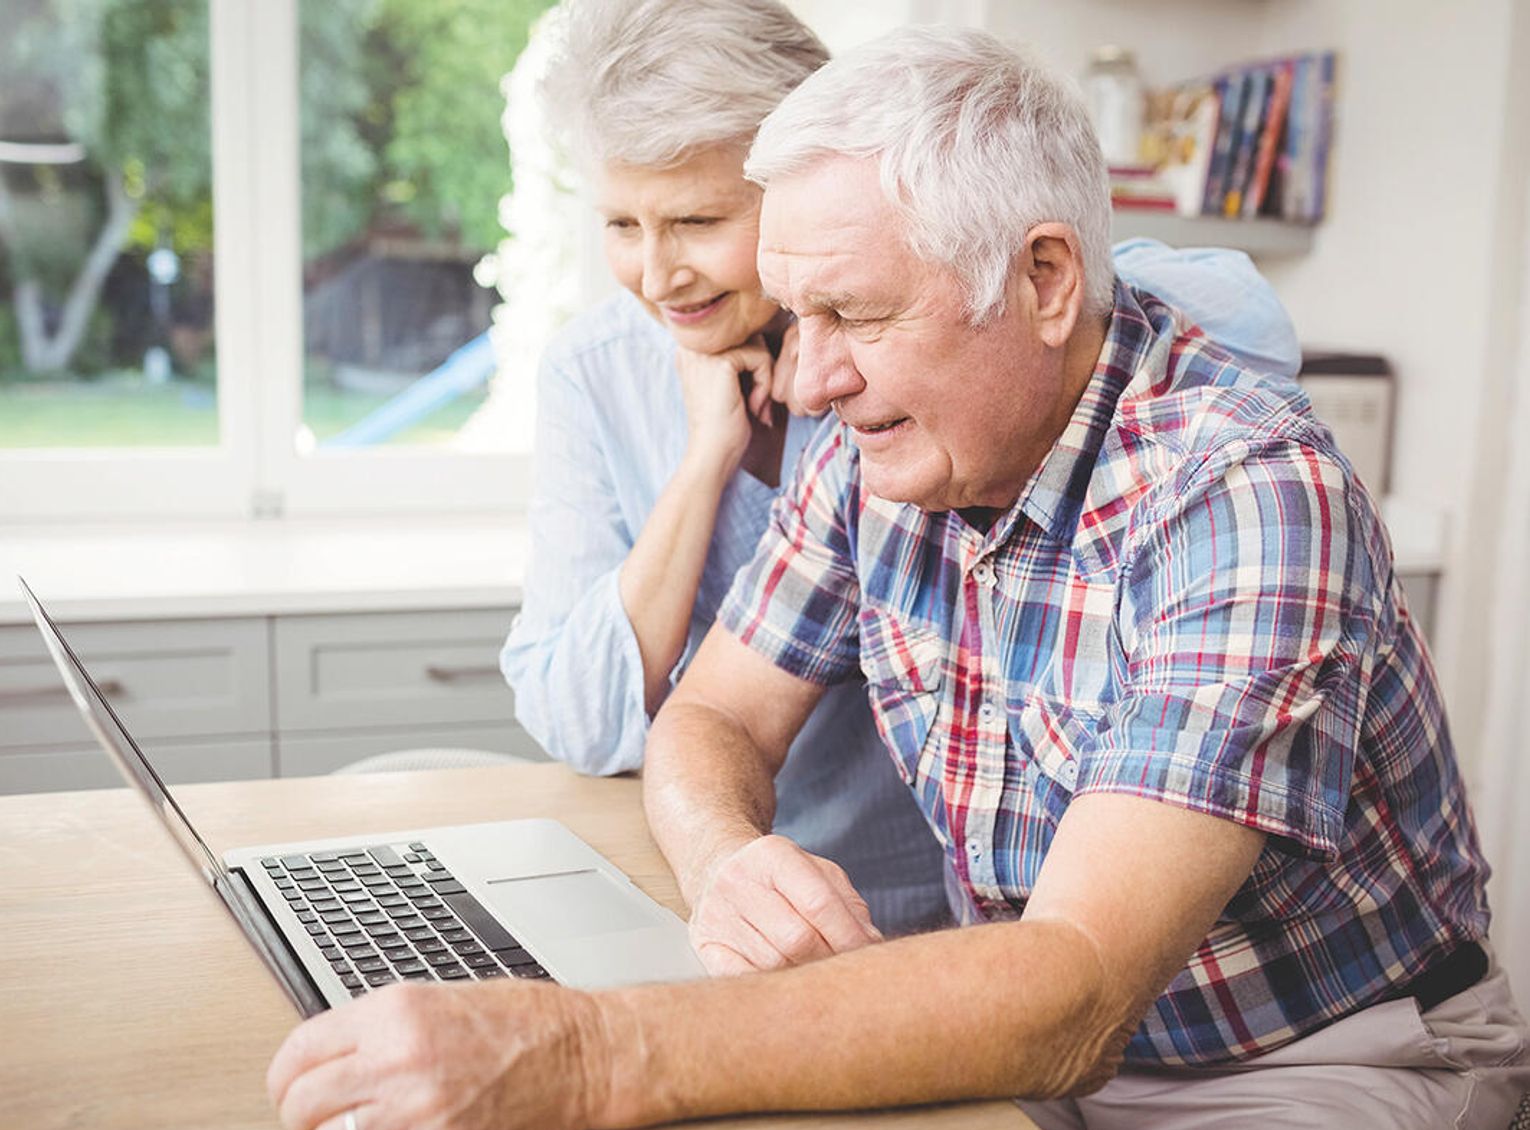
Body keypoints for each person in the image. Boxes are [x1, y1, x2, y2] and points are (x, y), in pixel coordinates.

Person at [268, 22, 1527, 1130]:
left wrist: (589, 1050)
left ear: (1043, 281)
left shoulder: (1247, 493)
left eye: (855, 315)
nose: (807, 383)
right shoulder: (890, 452)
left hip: (1307, 1064)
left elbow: (1079, 981)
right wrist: (727, 855)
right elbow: (706, 718)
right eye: (797, 313)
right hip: (1035, 1045)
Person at [498, 0, 1299, 948]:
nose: (658, 273)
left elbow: (1222, 313)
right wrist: (706, 455)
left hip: (945, 916)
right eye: (622, 224)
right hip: (753, 895)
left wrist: (861, 308)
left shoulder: (963, 379)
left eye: (700, 219)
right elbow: (600, 720)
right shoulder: (603, 372)